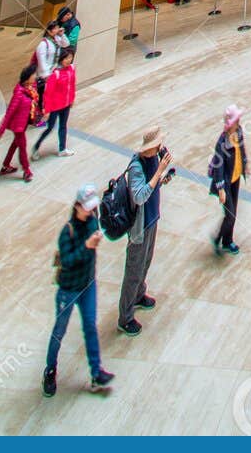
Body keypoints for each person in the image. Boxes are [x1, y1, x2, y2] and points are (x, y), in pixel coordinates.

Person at [42, 184, 114, 397]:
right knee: (59, 331)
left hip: (88, 284)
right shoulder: (68, 231)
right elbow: (68, 261)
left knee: (90, 326)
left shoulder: (92, 222)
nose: (91, 211)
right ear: (77, 206)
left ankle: (96, 371)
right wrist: (88, 247)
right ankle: (50, 370)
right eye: (87, 207)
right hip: (69, 289)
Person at [117, 126, 173, 335]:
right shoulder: (136, 167)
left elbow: (153, 186)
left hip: (151, 220)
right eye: (158, 144)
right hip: (139, 227)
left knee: (146, 262)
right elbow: (139, 196)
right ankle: (125, 317)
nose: (161, 147)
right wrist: (159, 172)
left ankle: (139, 294)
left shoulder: (153, 159)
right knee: (134, 269)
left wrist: (162, 178)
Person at [209, 105, 250, 256]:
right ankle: (218, 238)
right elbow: (218, 167)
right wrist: (220, 189)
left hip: (235, 177)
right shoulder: (222, 142)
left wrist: (245, 164)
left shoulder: (238, 132)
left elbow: (242, 149)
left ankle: (227, 241)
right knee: (230, 214)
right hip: (225, 182)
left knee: (232, 213)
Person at [0, 64, 38, 181]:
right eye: (33, 75)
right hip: (18, 126)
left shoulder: (30, 88)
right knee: (22, 147)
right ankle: (26, 171)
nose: (35, 76)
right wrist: (1, 130)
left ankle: (5, 166)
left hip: (24, 123)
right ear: (27, 78)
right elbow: (9, 113)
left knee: (15, 144)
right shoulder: (19, 94)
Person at [33, 48, 76, 158]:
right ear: (61, 59)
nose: (68, 60)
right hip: (55, 107)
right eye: (66, 58)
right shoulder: (55, 74)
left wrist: (71, 100)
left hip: (65, 105)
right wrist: (47, 110)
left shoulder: (71, 69)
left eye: (70, 57)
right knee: (50, 128)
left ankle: (62, 149)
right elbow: (48, 93)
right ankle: (36, 147)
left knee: (63, 126)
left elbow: (72, 86)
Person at [34, 21, 65, 110]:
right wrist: (46, 74)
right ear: (49, 31)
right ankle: (39, 114)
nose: (57, 30)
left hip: (53, 72)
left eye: (57, 28)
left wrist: (62, 35)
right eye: (55, 28)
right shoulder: (43, 44)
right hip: (44, 75)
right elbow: (41, 61)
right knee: (42, 96)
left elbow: (66, 44)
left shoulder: (57, 40)